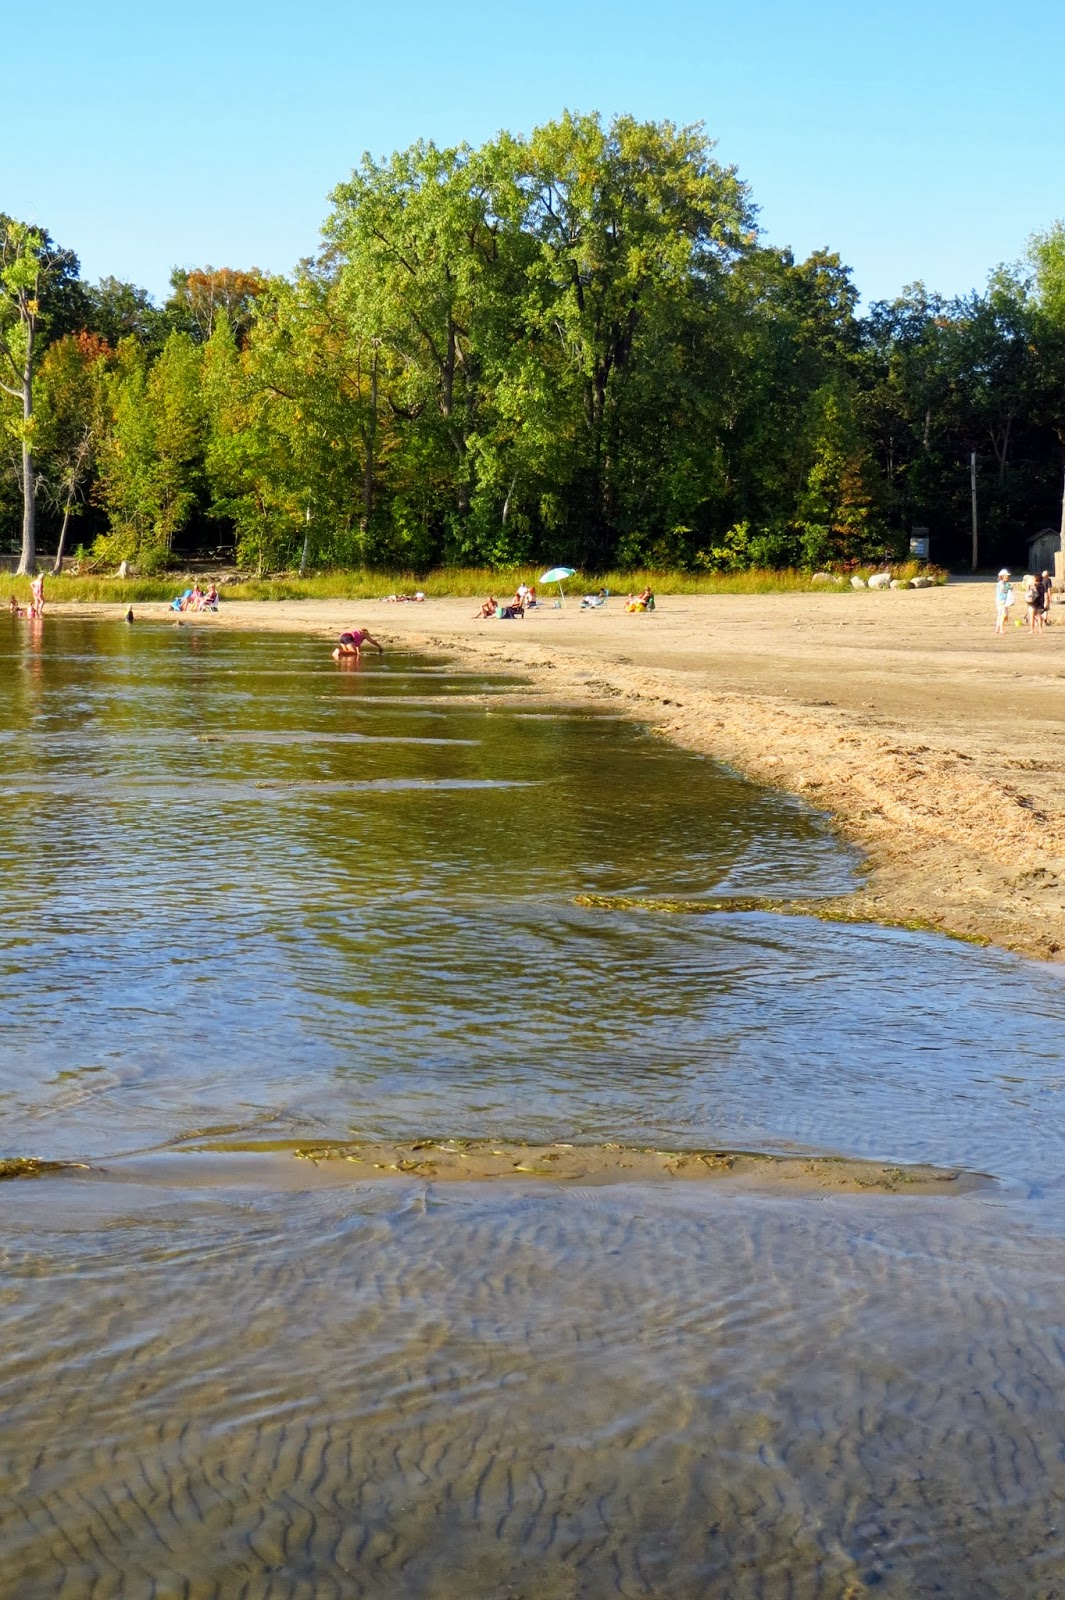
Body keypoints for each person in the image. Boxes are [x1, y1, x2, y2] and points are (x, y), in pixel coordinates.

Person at [994, 569, 1014, 635]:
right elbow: (1004, 590)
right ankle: (1001, 629)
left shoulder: (1002, 583)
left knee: (1000, 615)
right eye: (1006, 576)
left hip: (1001, 601)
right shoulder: (1001, 584)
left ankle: (997, 629)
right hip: (1002, 601)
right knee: (1003, 615)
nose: (1007, 577)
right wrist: (1010, 588)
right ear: (1002, 576)